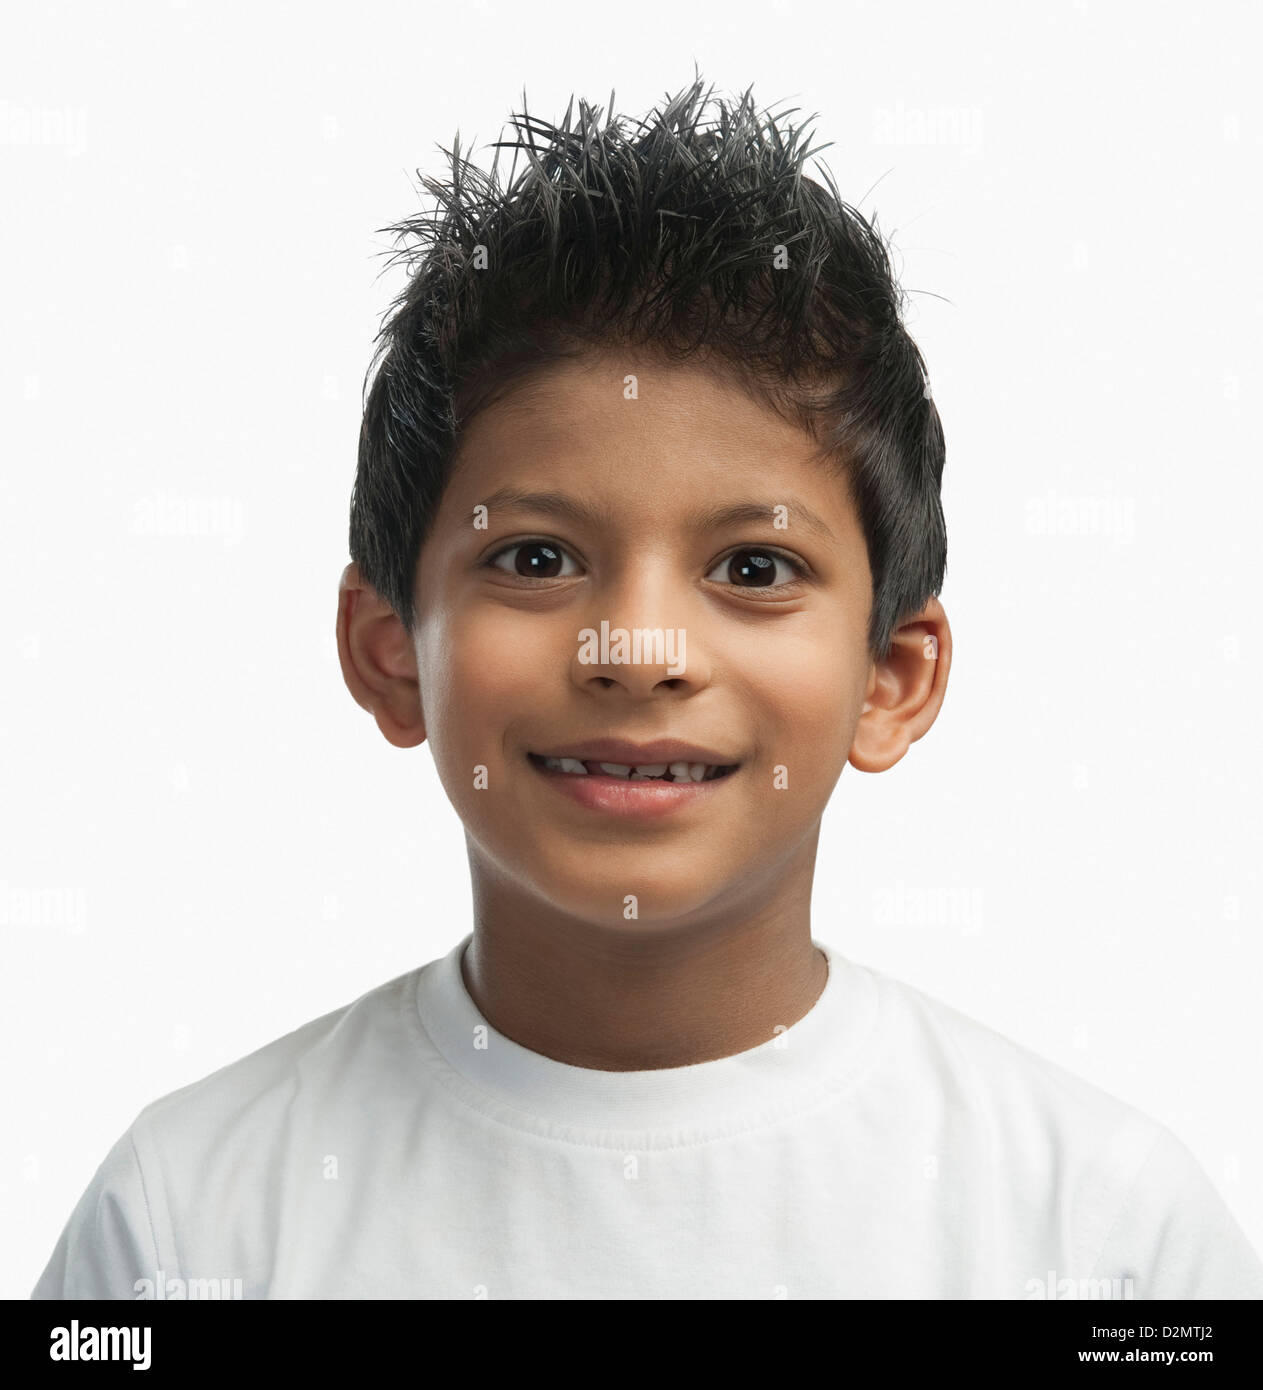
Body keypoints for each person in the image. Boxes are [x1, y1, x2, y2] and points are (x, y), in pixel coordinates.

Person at [32, 76, 1263, 1300]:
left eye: (755, 566)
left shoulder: (1104, 1236)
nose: (635, 649)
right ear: (391, 648)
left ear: (890, 678)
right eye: (535, 557)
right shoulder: (183, 1225)